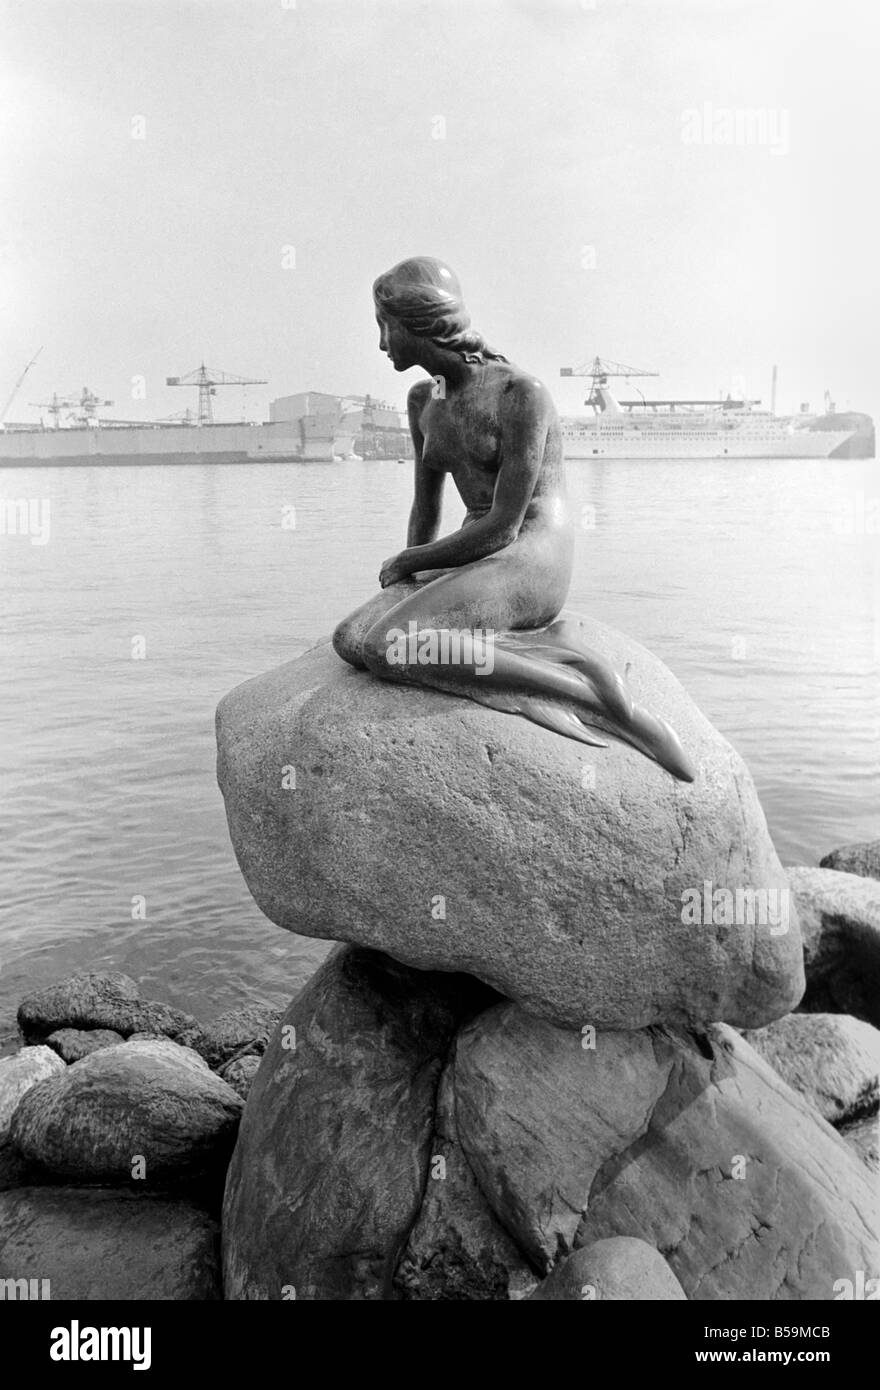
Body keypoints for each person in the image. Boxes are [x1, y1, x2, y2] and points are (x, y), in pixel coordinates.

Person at [332, 255, 694, 782]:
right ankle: (514, 649)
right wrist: (409, 578)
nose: (382, 344)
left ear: (421, 322)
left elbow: (504, 523)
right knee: (352, 640)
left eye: (385, 328)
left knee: (392, 645)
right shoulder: (422, 400)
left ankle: (605, 702)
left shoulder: (520, 394)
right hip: (474, 546)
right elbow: (426, 508)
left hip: (532, 550)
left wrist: (413, 560)